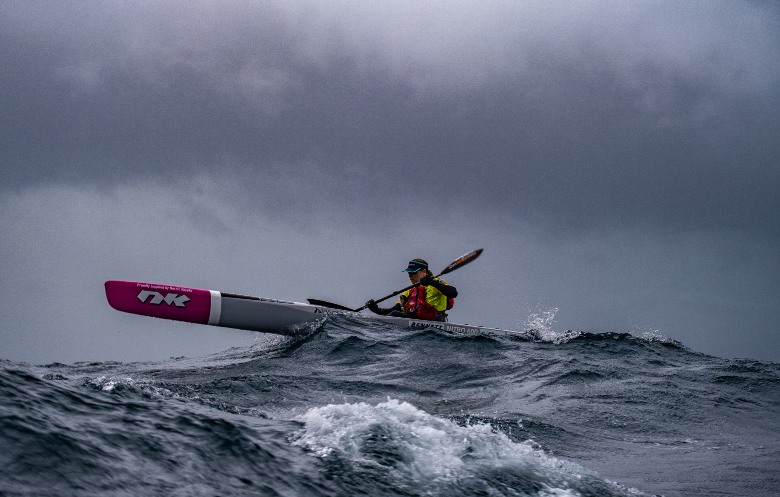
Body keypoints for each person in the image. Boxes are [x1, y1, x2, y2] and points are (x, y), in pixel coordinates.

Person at [366, 258, 458, 321]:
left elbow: (453, 293)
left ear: (424, 272)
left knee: (395, 314)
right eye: (409, 273)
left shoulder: (435, 283)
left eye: (413, 272)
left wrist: (433, 282)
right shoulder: (410, 290)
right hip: (415, 327)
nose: (410, 275)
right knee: (395, 313)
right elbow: (394, 310)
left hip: (434, 326)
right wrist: (376, 309)